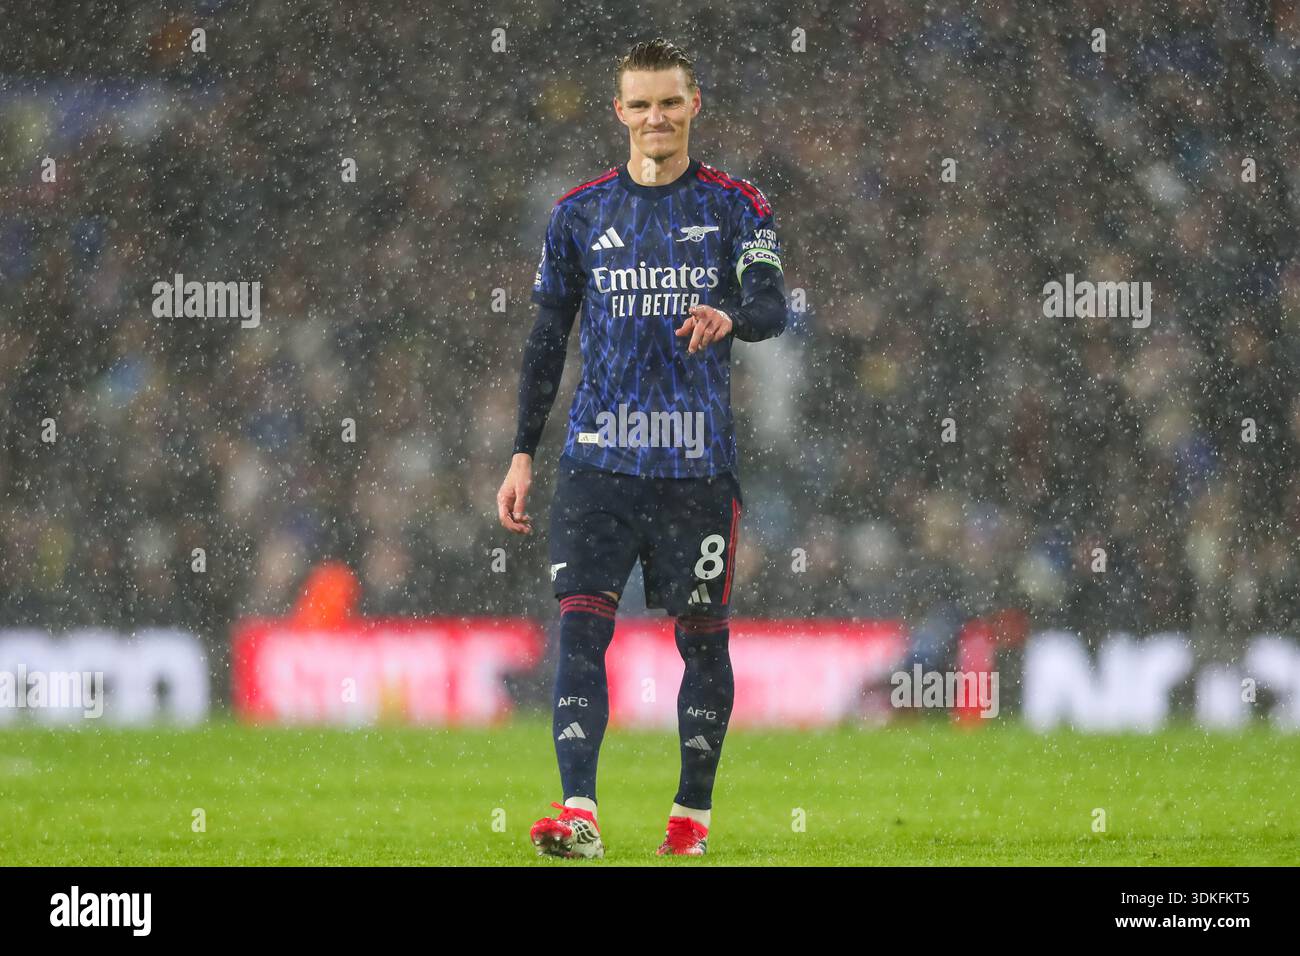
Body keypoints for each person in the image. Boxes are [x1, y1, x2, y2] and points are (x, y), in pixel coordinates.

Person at [497, 37, 788, 858]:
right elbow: (547, 338)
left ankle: (690, 819)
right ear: (619, 112)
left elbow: (773, 304)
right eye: (641, 104)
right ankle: (580, 813)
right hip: (598, 464)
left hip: (695, 467)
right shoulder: (580, 213)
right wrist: (523, 450)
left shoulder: (738, 205)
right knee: (581, 631)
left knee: (703, 641)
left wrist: (733, 315)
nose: (656, 117)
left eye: (670, 102)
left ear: (695, 107)